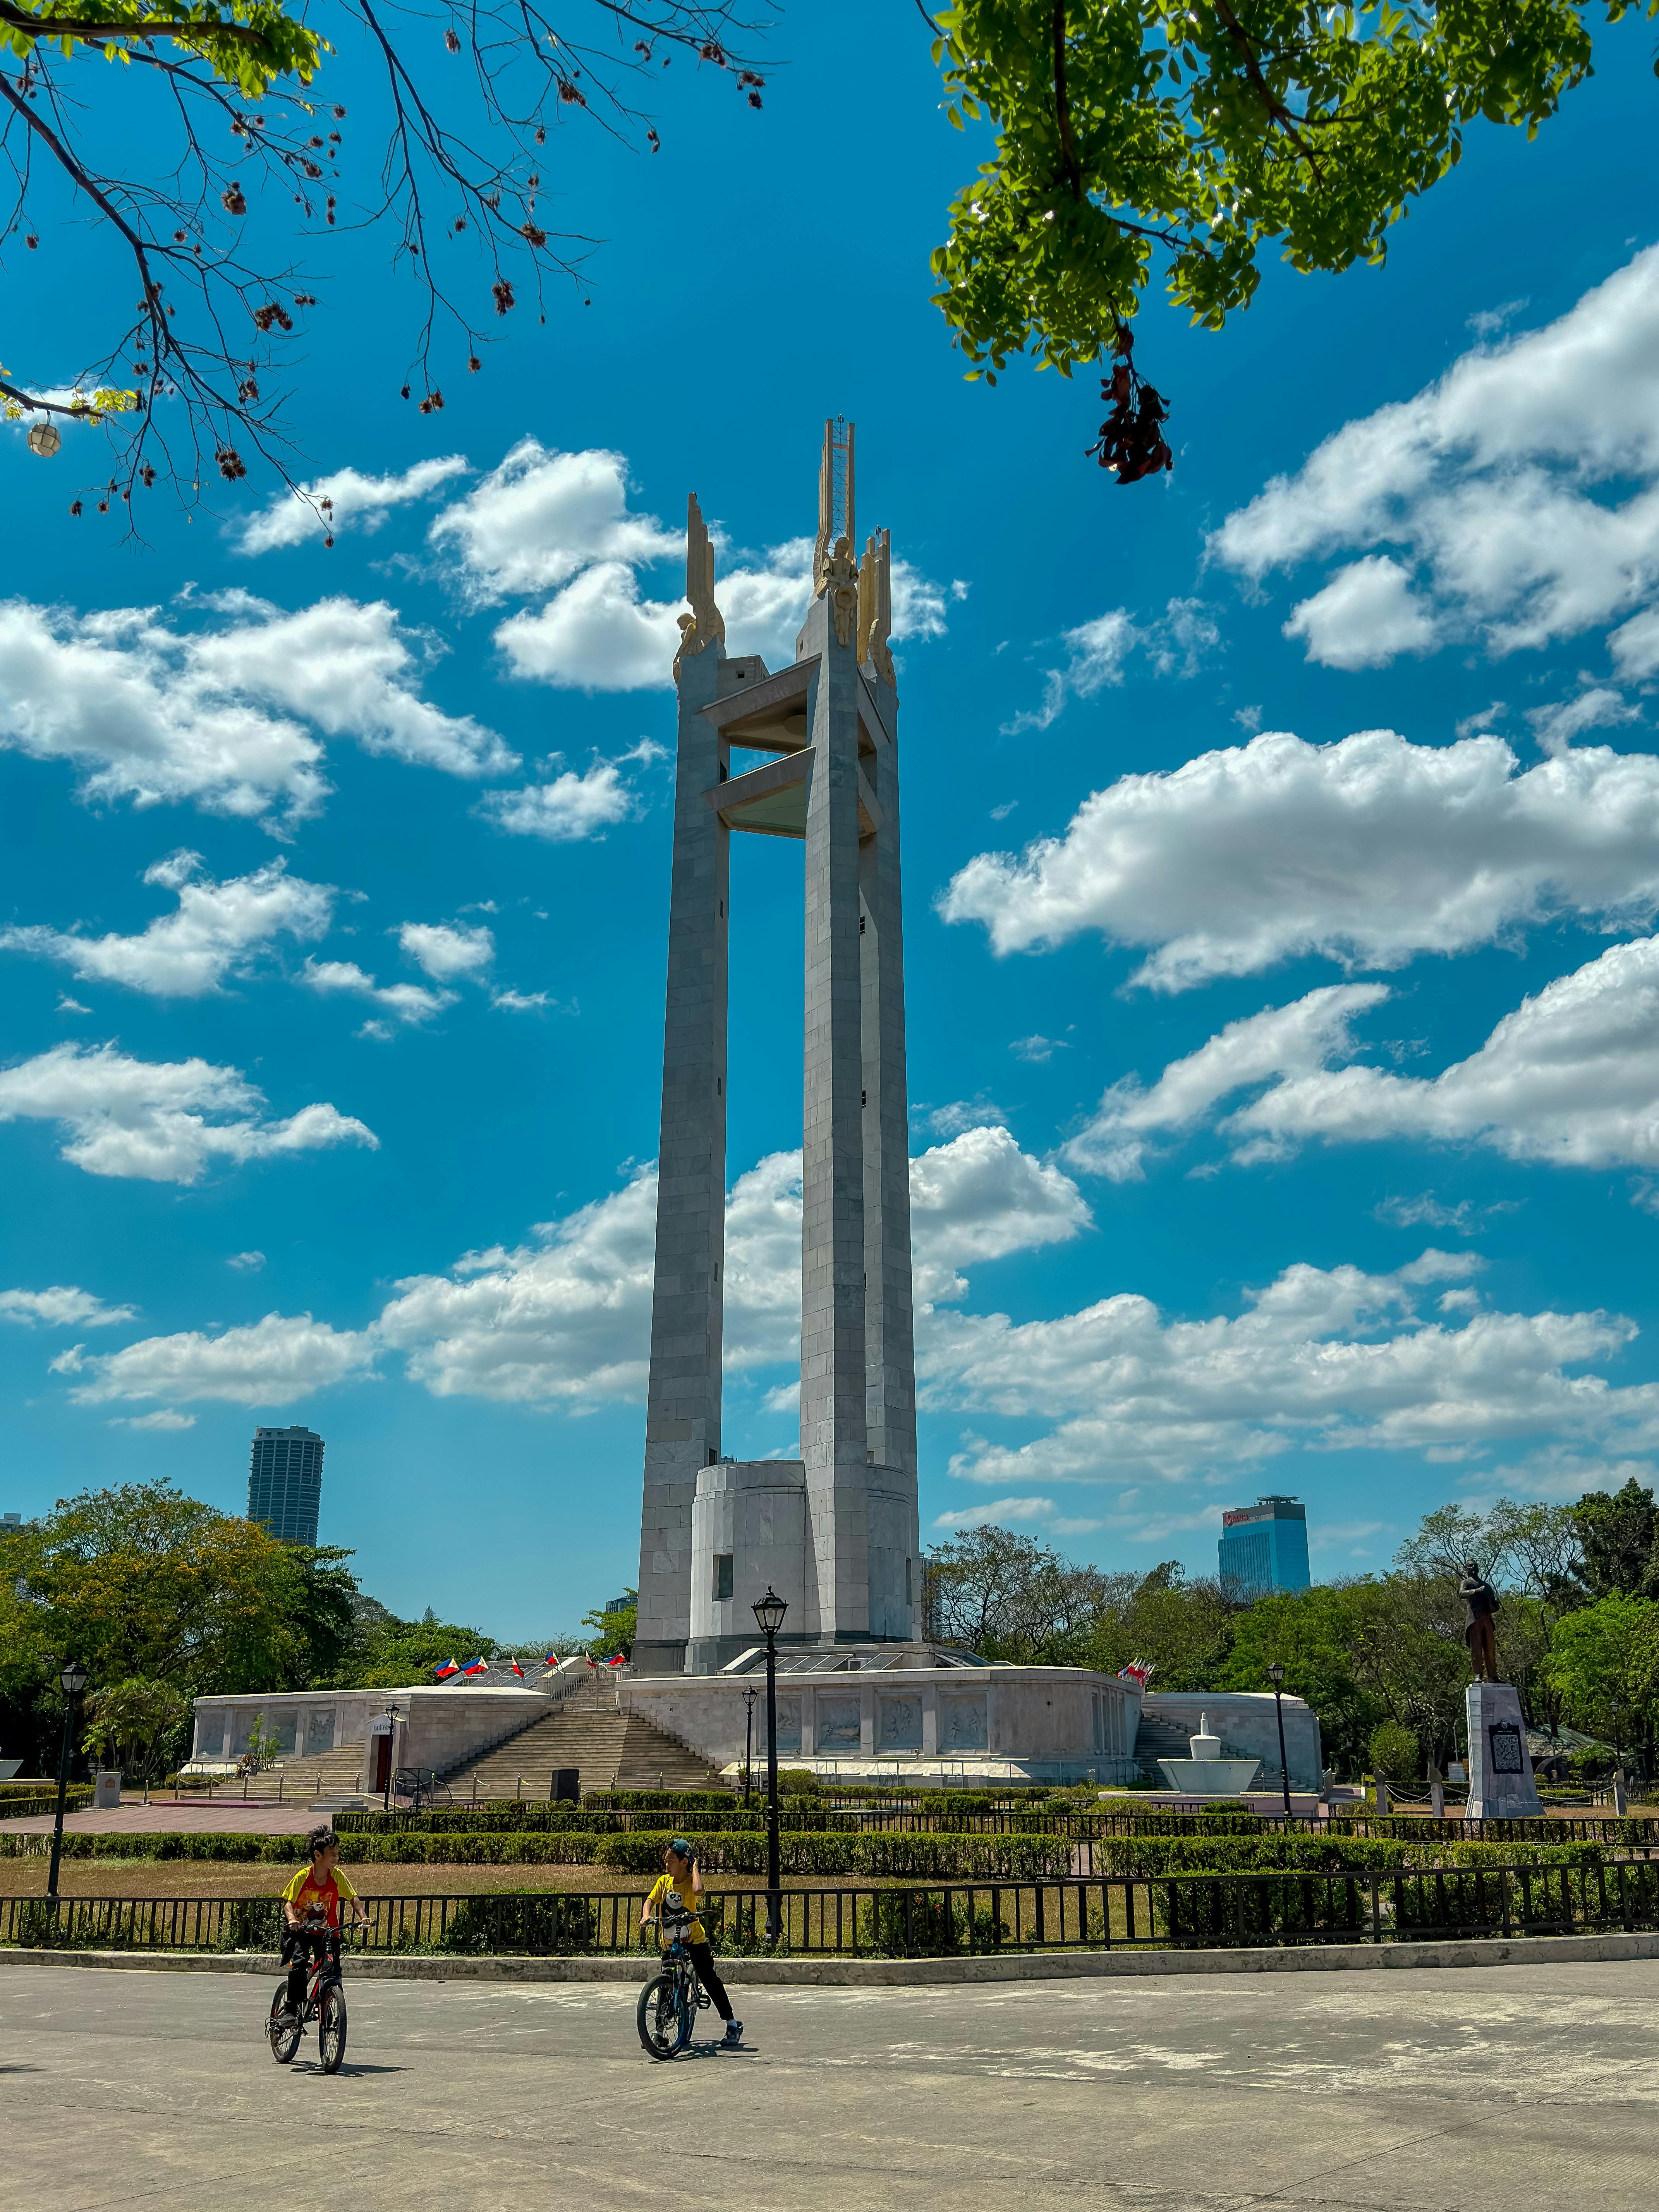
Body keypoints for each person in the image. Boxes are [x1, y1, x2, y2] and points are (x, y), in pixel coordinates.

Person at [642, 1838, 742, 2046]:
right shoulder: (664, 1882)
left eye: (670, 1860)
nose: (666, 1864)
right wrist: (646, 1915)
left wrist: (695, 1868)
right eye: (666, 1860)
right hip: (671, 1940)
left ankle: (732, 2024)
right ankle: (659, 2031)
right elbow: (650, 1900)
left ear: (684, 1862)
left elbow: (698, 1891)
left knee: (709, 1978)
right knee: (666, 1981)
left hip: (694, 1939)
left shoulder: (690, 1881)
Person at [278, 1822, 368, 2023]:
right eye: (332, 1854)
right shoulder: (303, 1877)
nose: (336, 1858)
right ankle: (291, 2009)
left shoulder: (337, 1877)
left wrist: (363, 1917)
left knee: (333, 1969)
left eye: (337, 1853)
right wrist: (292, 1920)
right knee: (299, 1964)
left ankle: (328, 2002)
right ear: (318, 1855)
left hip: (328, 1933)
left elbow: (353, 1898)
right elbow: (288, 1904)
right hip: (302, 1932)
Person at [1459, 1559, 1500, 1683]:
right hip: (1474, 1619)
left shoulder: (1486, 1586)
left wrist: (1494, 1605)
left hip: (1487, 1620)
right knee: (1476, 1649)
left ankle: (1493, 1676)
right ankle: (1478, 1675)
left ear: (1478, 1569)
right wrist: (1477, 1591)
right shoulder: (1466, 1582)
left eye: (1475, 1566)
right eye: (1470, 1566)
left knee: (1490, 1649)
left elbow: (1493, 1604)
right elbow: (1461, 1594)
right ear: (1467, 1569)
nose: (1473, 1567)